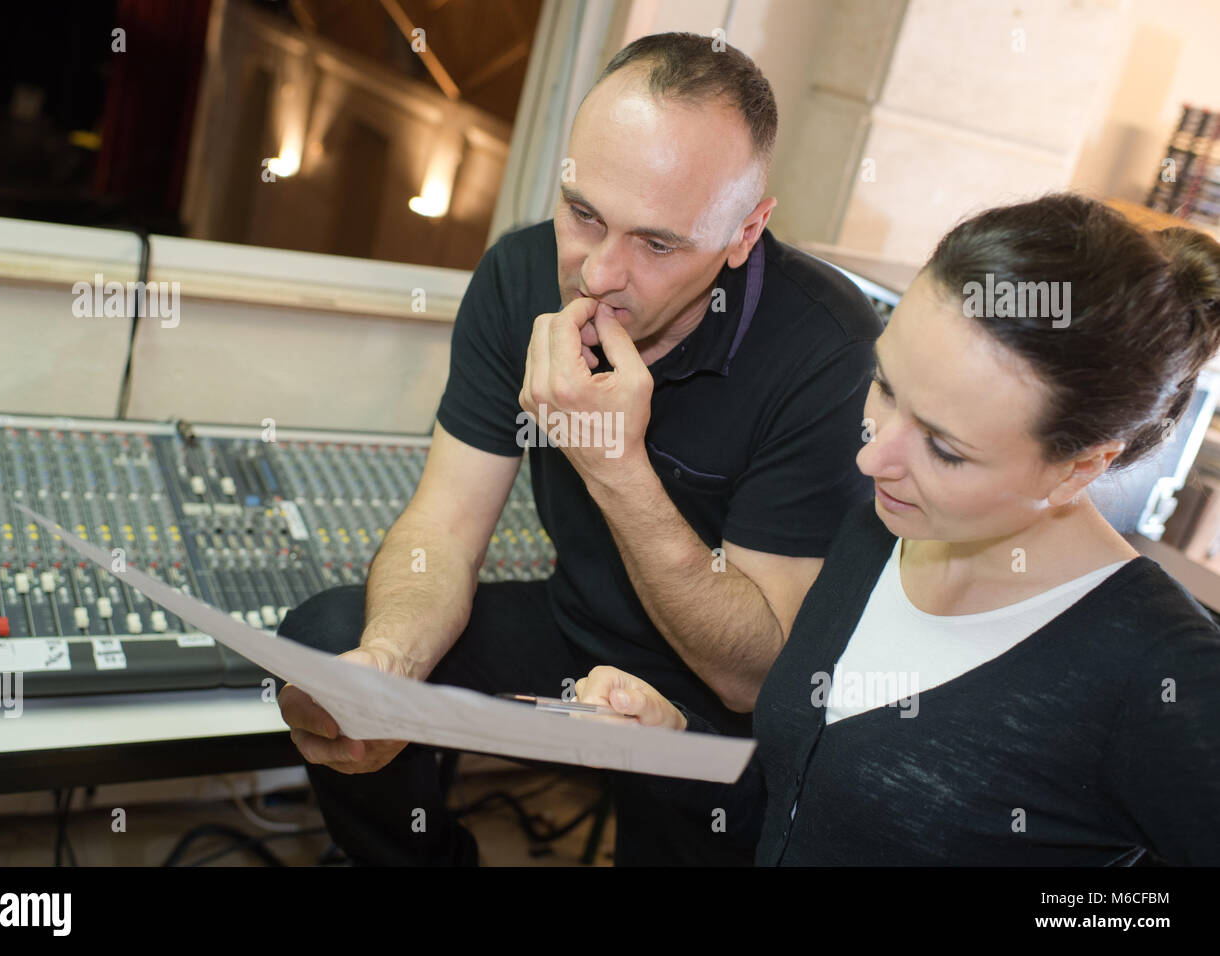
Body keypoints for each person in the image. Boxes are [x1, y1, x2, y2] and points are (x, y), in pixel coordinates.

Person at [273, 32, 884, 865]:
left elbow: (753, 669)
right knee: (332, 637)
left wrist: (615, 465)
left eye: (657, 244)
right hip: (574, 631)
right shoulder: (521, 274)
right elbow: (444, 527)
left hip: (717, 696)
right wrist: (392, 662)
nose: (596, 273)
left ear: (745, 233)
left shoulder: (825, 349)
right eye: (583, 214)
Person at [574, 193, 1220, 865]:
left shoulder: (1163, 674)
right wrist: (674, 745)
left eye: (945, 449)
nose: (871, 457)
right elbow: (799, 811)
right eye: (884, 386)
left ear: (1079, 467)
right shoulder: (880, 528)